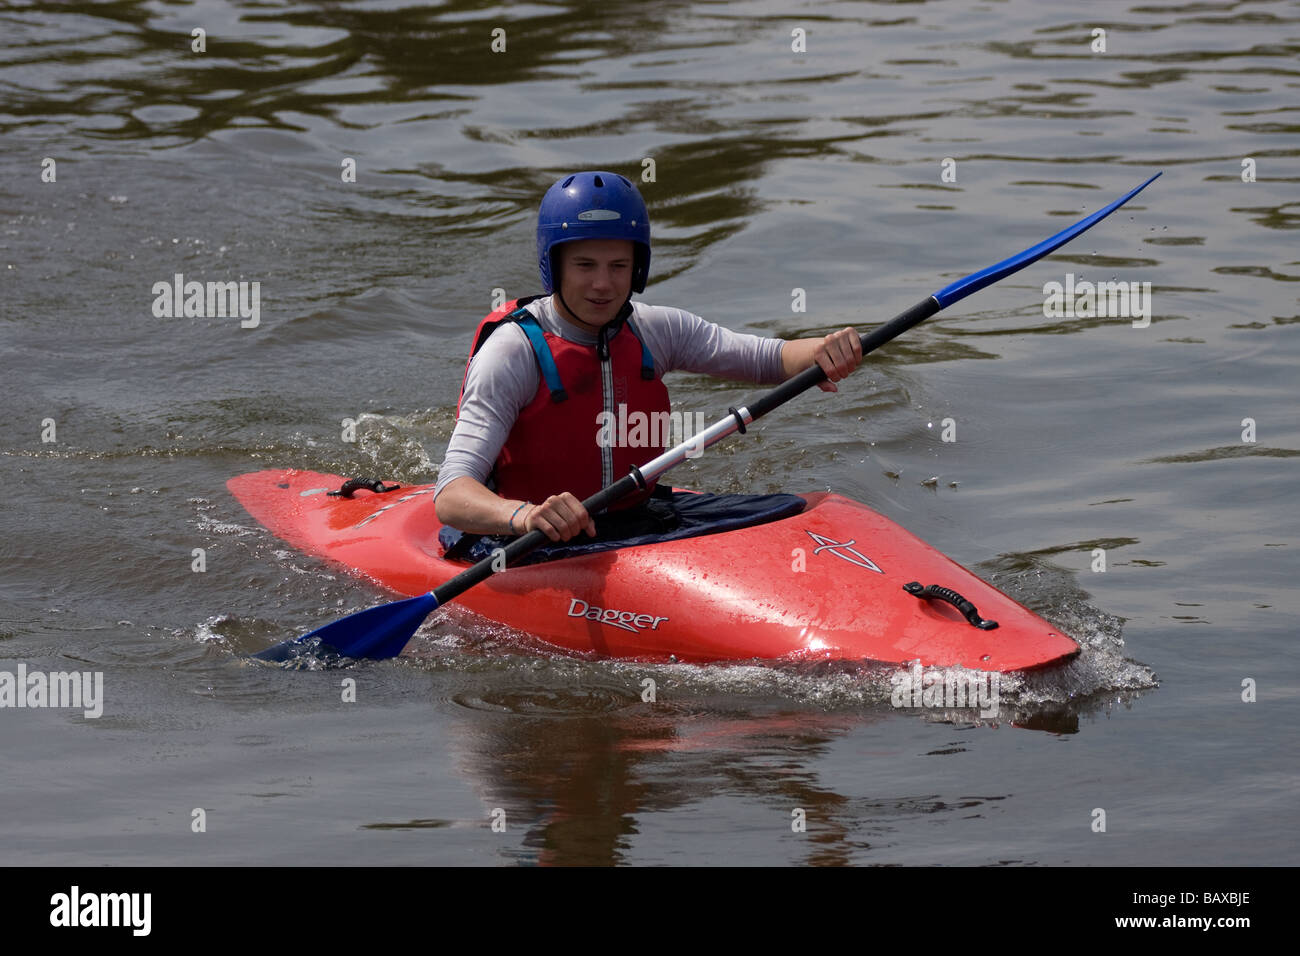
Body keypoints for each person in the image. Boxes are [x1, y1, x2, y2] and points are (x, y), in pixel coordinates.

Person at [434, 170, 862, 545]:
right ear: (555, 266)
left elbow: (768, 358)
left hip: (635, 517)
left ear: (638, 268)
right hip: (530, 537)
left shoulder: (655, 329)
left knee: (796, 509)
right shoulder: (514, 351)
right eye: (585, 265)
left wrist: (822, 350)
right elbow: (452, 493)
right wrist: (524, 516)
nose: (603, 284)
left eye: (619, 266)